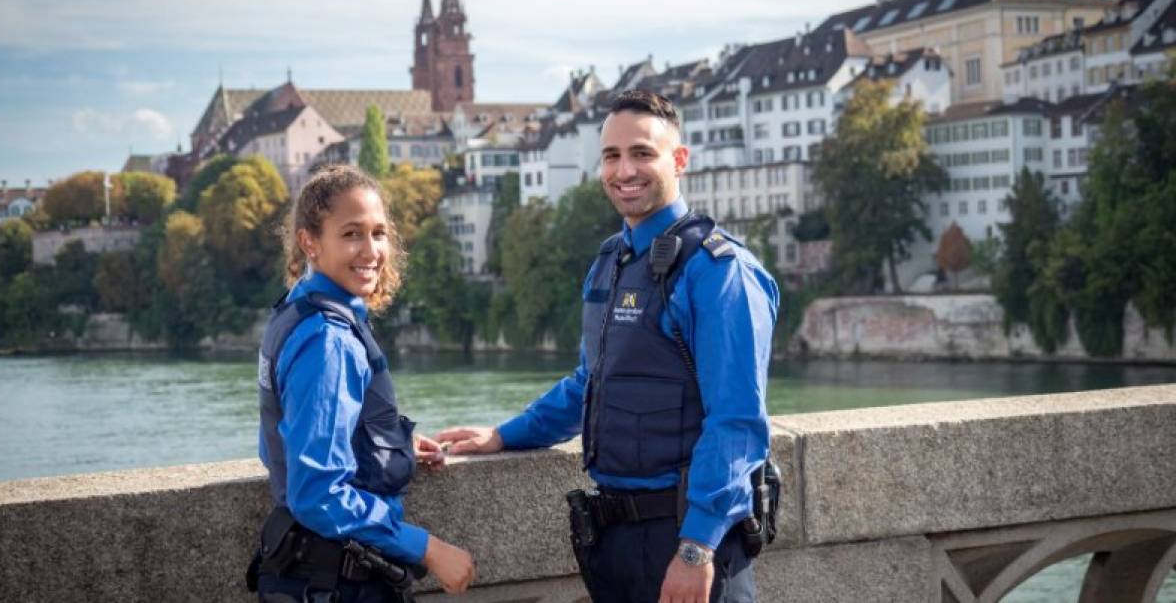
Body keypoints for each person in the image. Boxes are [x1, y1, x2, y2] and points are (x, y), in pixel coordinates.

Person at [437, 90, 779, 603]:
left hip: (687, 539)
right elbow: (591, 384)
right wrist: (505, 435)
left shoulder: (719, 271)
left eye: (642, 153)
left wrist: (696, 548)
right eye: (612, 156)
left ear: (679, 160)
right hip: (615, 539)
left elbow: (736, 423)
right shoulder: (612, 261)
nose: (625, 171)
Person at [250, 165, 475, 602]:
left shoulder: (297, 311)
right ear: (309, 242)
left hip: (306, 573)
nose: (371, 250)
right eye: (352, 233)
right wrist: (427, 548)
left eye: (378, 233)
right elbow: (316, 493)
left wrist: (384, 445)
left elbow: (277, 441)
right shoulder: (329, 340)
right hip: (339, 580)